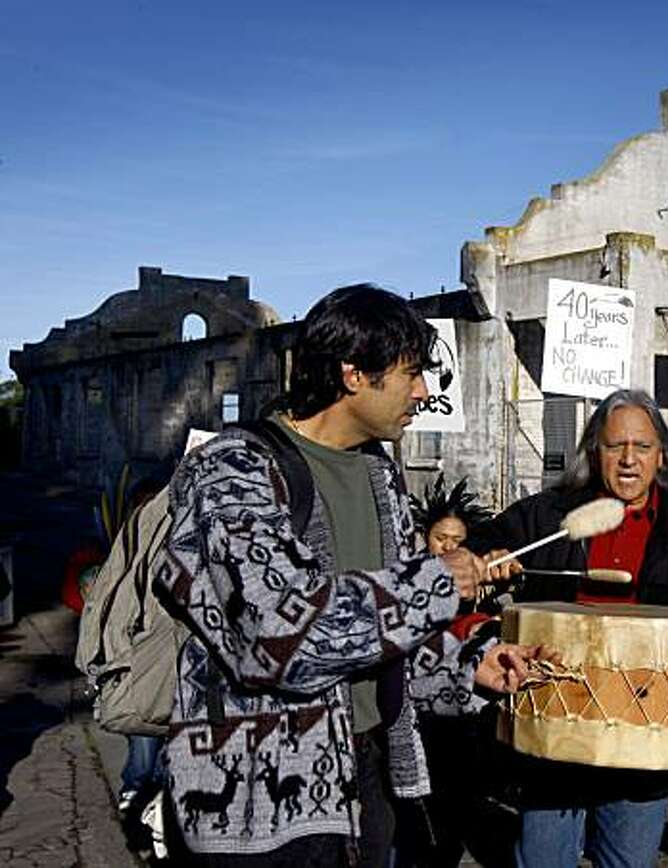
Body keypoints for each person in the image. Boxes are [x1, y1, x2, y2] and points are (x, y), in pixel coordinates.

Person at [153, 284, 540, 868]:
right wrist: (435, 583)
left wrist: (469, 666)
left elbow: (391, 631)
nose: (423, 392)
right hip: (258, 800)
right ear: (354, 373)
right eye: (411, 374)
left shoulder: (380, 475)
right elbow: (277, 637)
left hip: (369, 778)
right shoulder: (233, 471)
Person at [467, 388, 668, 868]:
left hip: (646, 736)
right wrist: (487, 558)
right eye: (615, 446)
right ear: (594, 453)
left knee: (628, 862)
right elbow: (480, 543)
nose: (628, 460)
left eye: (641, 447)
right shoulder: (548, 515)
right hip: (555, 726)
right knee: (542, 860)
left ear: (661, 456)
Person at [406, 474, 503, 867]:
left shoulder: (483, 591)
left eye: (458, 542)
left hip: (464, 725)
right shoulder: (406, 586)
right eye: (440, 538)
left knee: (455, 816)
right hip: (417, 724)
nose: (448, 548)